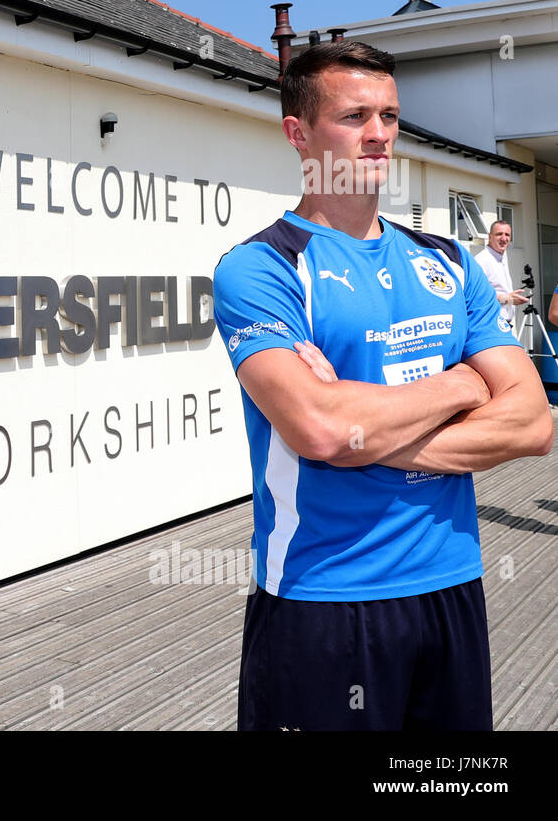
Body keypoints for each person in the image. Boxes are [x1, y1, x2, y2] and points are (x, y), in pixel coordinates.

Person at [212, 40, 552, 731]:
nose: (378, 135)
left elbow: (535, 424)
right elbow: (319, 429)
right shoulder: (260, 269)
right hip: (324, 597)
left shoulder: (447, 262)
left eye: (390, 116)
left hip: (451, 583)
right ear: (298, 132)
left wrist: (359, 433)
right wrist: (463, 384)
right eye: (354, 116)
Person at [474, 220, 526, 329]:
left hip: (504, 324)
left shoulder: (501, 257)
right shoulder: (482, 260)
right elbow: (478, 295)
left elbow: (500, 294)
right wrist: (507, 299)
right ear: (490, 236)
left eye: (507, 234)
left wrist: (511, 299)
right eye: (499, 234)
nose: (504, 238)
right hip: (491, 325)